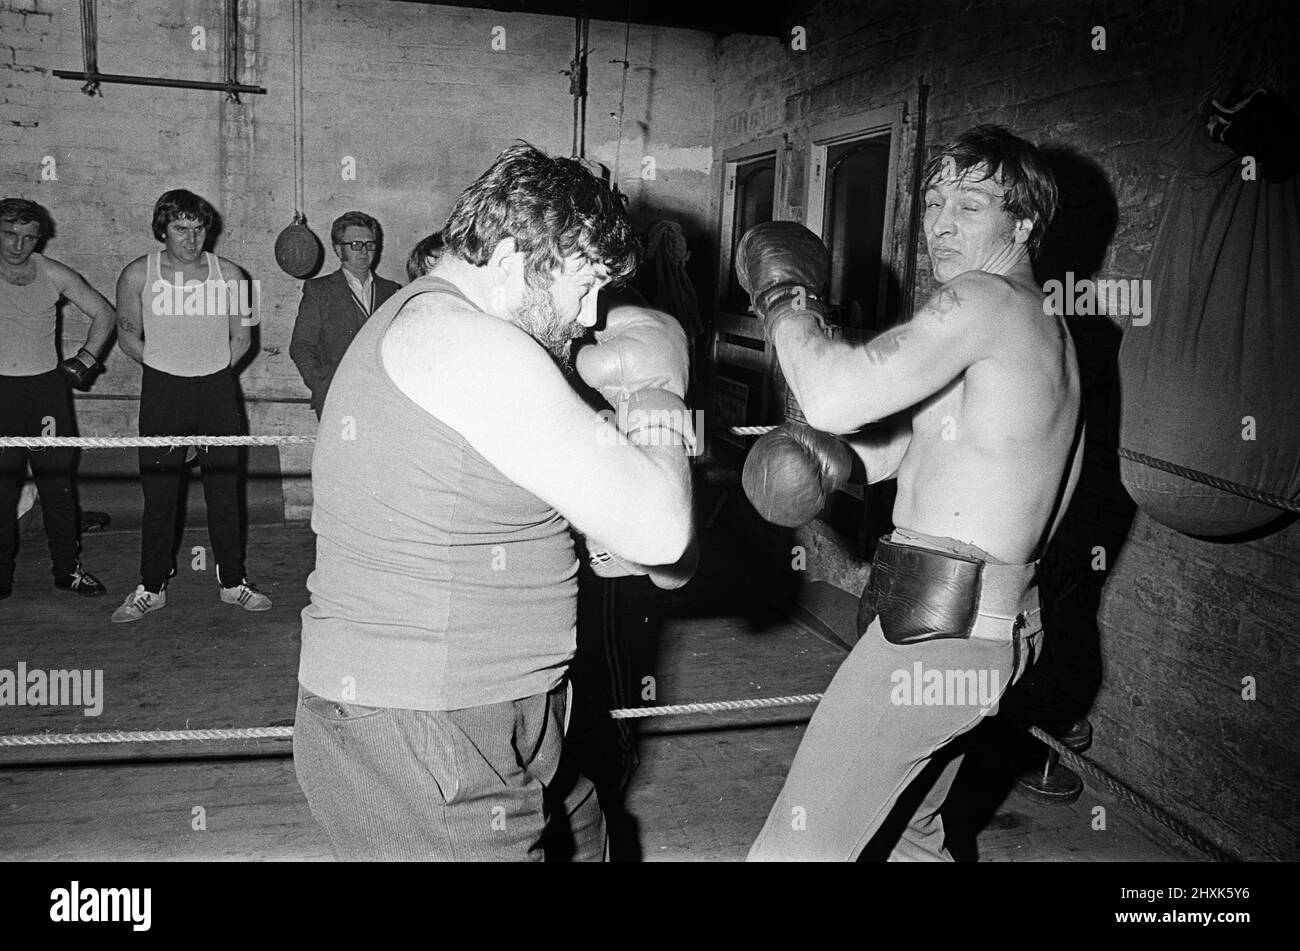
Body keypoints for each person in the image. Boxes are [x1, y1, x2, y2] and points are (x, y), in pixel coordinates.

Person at [293, 143, 697, 861]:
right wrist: (662, 384)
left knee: (590, 832)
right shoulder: (461, 342)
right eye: (585, 285)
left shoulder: (446, 328)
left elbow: (638, 555)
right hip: (426, 731)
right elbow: (662, 530)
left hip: (502, 709)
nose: (592, 313)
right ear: (515, 257)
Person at [740, 125, 1083, 861]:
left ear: (1021, 223)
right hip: (985, 631)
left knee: (793, 850)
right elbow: (902, 449)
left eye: (970, 205)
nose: (940, 224)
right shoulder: (1040, 322)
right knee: (909, 838)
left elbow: (832, 391)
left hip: (939, 639)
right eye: (932, 202)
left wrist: (784, 299)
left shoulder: (983, 300)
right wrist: (827, 460)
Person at [112, 189, 271, 622]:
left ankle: (233, 582)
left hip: (217, 391)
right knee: (160, 494)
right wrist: (168, 369)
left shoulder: (233, 274)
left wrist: (212, 372)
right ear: (162, 229)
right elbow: (127, 335)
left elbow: (244, 338)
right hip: (163, 392)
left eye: (199, 228)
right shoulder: (136, 275)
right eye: (181, 228)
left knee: (225, 491)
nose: (191, 238)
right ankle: (151, 585)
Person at [0, 198, 114, 601]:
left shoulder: (51, 273)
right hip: (2, 393)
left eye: (29, 237)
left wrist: (85, 359)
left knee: (57, 487)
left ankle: (68, 570)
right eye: (10, 235)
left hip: (46, 392)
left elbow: (104, 313)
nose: (19, 245)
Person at [290, 211, 401, 418]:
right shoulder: (319, 290)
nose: (364, 251)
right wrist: (321, 384)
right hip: (338, 398)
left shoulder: (392, 290)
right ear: (339, 250)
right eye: (355, 245)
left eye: (370, 244)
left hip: (385, 400)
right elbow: (301, 345)